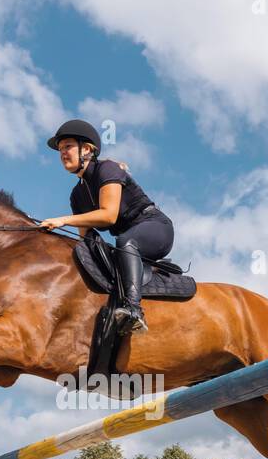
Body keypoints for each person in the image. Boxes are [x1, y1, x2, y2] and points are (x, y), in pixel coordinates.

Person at [38, 119, 173, 334]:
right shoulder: (77, 195)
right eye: (60, 149)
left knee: (125, 242)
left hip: (156, 227)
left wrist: (62, 220)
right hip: (128, 238)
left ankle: (134, 311)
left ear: (87, 149)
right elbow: (85, 240)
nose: (62, 153)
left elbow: (108, 216)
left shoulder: (107, 169)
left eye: (68, 146)